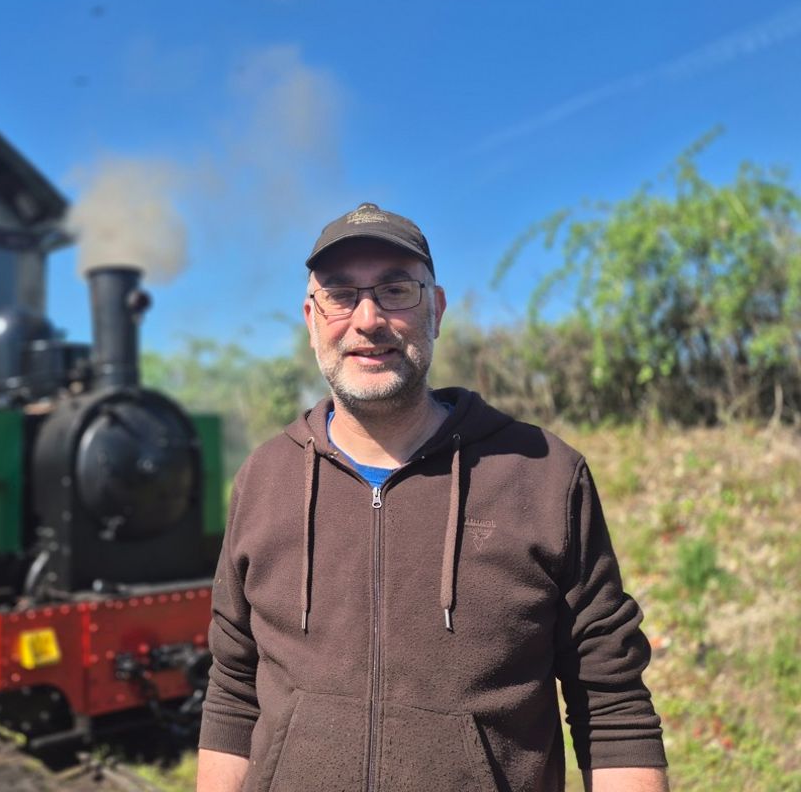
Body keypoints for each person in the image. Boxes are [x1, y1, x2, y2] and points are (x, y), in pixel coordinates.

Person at [196, 203, 669, 792]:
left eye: (396, 290)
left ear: (436, 310)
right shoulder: (264, 479)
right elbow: (233, 691)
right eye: (340, 295)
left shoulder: (544, 474)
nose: (368, 319)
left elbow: (611, 702)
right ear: (312, 319)